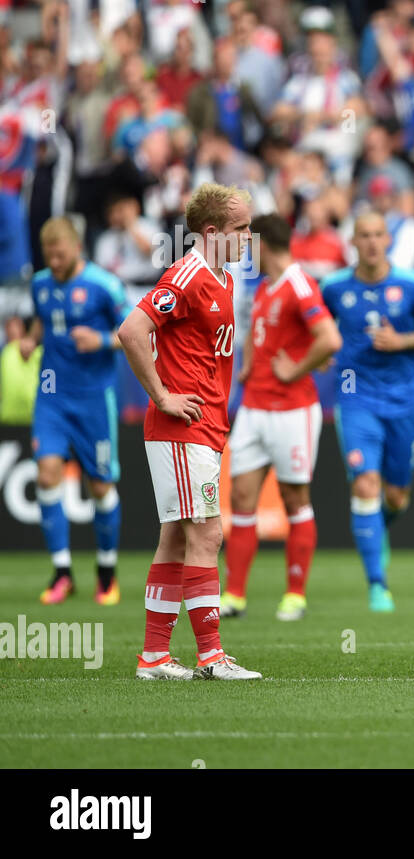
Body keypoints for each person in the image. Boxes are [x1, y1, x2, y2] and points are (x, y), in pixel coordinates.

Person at [117, 183, 262, 680]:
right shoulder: (186, 275)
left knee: (176, 540)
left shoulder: (223, 277)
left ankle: (154, 657)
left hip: (205, 426)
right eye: (242, 228)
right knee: (208, 534)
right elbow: (132, 331)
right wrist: (162, 396)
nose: (249, 236)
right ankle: (211, 656)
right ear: (212, 231)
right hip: (183, 426)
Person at [321, 212, 414, 612]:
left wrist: (404, 340)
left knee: (395, 495)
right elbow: (315, 327)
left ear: (388, 241)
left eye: (379, 235)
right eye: (365, 235)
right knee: (365, 485)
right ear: (353, 241)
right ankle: (378, 585)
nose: (372, 242)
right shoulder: (334, 287)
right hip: (355, 398)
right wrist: (321, 352)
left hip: (404, 400)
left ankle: (376, 528)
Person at [220, 214, 341, 621]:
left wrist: (298, 367)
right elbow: (266, 339)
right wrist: (250, 366)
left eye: (249, 242)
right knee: (240, 499)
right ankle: (234, 595)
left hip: (292, 411)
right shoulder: (266, 288)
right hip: (253, 407)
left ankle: (295, 594)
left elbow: (330, 339)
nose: (246, 250)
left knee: (294, 500)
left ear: (263, 245)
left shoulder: (298, 283)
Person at [27, 218, 129, 605]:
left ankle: (106, 573)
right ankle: (62, 572)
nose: (53, 260)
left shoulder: (104, 285)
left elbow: (136, 330)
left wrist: (102, 339)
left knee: (100, 486)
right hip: (52, 394)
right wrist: (29, 341)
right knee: (47, 473)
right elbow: (43, 321)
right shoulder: (40, 283)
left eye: (60, 253)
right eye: (48, 253)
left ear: (76, 248)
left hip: (93, 398)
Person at [0, 316, 41, 425]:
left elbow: (50, 386)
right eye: (9, 329)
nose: (13, 331)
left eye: (16, 327)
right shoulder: (5, 353)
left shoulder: (40, 354)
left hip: (34, 419)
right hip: (8, 419)